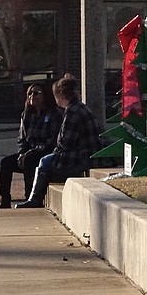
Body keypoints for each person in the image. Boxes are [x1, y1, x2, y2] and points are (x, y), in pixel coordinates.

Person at [16, 74, 103, 209]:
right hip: (87, 153)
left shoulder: (72, 111)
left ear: (60, 96)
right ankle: (35, 197)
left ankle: (35, 199)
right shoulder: (79, 107)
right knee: (44, 161)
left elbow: (65, 142)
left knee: (44, 162)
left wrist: (55, 151)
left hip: (82, 157)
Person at [0, 83, 62, 208]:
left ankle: (29, 197)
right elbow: (22, 138)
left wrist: (30, 153)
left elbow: (53, 140)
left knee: (29, 161)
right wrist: (22, 152)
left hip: (46, 152)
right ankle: (5, 200)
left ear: (44, 96)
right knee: (5, 163)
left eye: (37, 93)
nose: (33, 96)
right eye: (30, 93)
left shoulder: (54, 114)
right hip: (28, 152)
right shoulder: (27, 114)